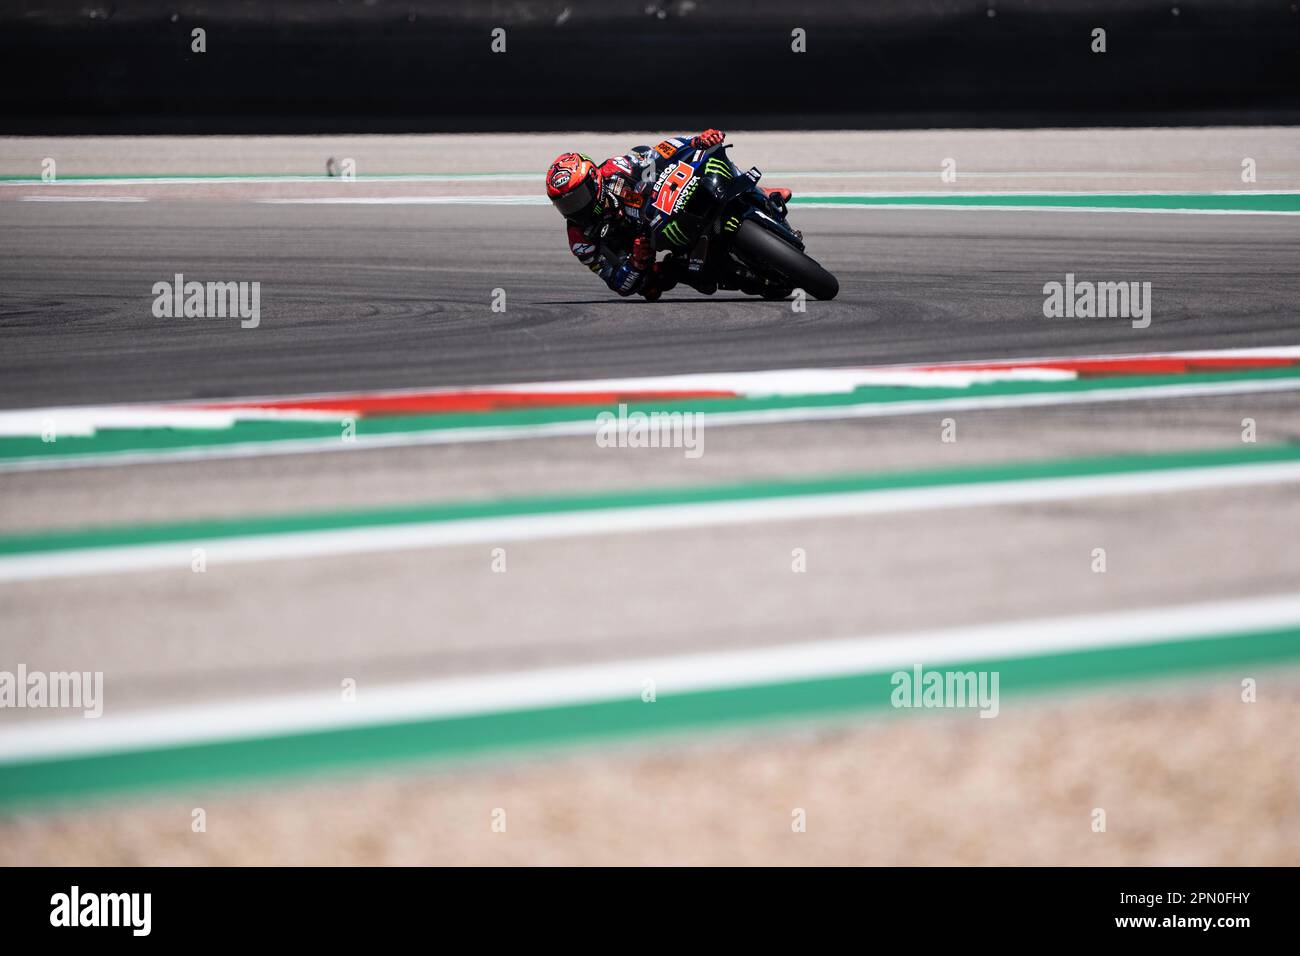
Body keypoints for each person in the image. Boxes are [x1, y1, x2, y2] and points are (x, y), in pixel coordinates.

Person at [545, 130, 792, 300]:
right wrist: (635, 263)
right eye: (564, 205)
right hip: (645, 247)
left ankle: (758, 191)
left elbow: (658, 153)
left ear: (593, 180)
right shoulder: (580, 239)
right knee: (651, 288)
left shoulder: (615, 168)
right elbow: (617, 283)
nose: (575, 208)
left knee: (711, 163)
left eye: (577, 198)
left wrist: (697, 141)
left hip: (664, 204)